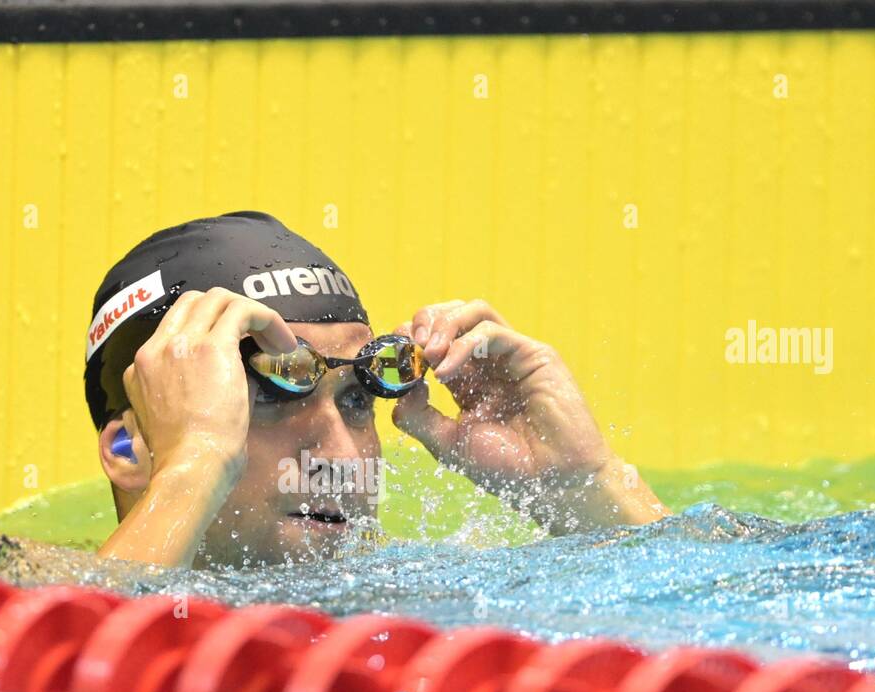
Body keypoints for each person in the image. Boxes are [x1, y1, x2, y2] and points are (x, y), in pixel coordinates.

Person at [84, 211, 667, 568]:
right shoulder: (11, 577)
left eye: (356, 401)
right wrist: (194, 466)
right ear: (127, 449)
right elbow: (77, 667)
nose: (341, 458)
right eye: (268, 394)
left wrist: (585, 486)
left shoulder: (426, 599)